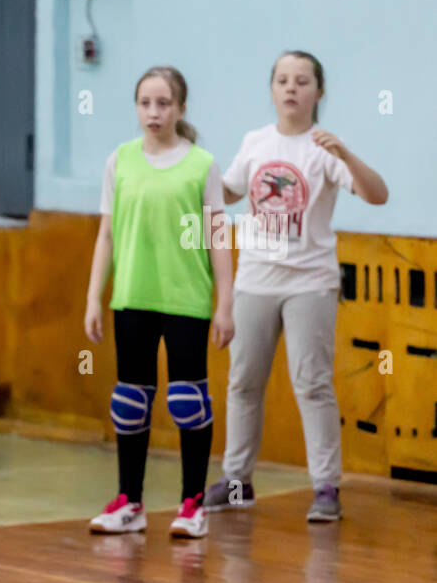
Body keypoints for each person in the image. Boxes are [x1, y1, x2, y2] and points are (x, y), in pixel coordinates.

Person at [202, 51, 388, 522]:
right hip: (255, 280)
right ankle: (238, 481)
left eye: (302, 81)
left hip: (311, 283)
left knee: (312, 383)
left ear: (318, 92)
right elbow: (229, 191)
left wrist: (345, 153)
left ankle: (326, 488)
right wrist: (199, 174)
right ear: (272, 89)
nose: (291, 88)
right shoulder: (256, 141)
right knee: (244, 382)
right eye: (282, 80)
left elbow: (377, 194)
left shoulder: (324, 149)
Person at [84, 66, 234, 538]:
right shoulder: (120, 161)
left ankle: (193, 503)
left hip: (187, 297)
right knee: (130, 402)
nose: (154, 112)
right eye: (146, 103)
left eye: (163, 103)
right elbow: (106, 233)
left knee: (188, 400)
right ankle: (130, 502)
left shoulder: (202, 165)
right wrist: (95, 296)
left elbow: (218, 237)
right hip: (132, 294)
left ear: (181, 109)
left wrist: (225, 302)